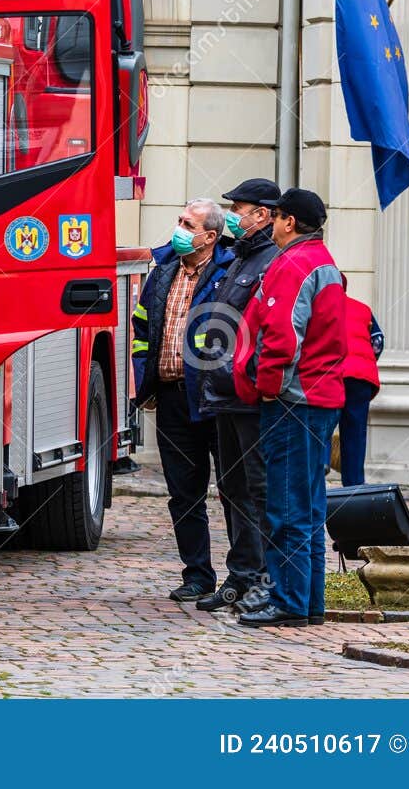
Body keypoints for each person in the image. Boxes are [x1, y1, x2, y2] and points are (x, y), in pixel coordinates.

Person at [232, 188, 348, 628]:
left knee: (287, 507)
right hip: (316, 399)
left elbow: (282, 336)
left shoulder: (295, 264)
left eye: (277, 216)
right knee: (309, 506)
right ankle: (308, 601)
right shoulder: (322, 261)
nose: (273, 224)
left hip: (292, 402)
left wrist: (268, 387)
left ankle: (289, 601)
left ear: (290, 222)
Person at [131, 198, 235, 603]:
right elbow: (142, 328)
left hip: (216, 400)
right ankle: (197, 575)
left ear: (210, 237)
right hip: (172, 397)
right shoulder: (163, 271)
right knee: (183, 493)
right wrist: (146, 378)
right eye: (180, 221)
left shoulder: (229, 272)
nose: (179, 229)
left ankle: (241, 576)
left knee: (233, 490)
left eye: (188, 224)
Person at [195, 177, 283, 615]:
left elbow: (270, 329)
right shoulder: (240, 258)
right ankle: (241, 575)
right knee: (232, 487)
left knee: (258, 488)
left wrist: (246, 375)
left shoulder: (273, 260)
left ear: (262, 215)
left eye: (239, 209)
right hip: (225, 392)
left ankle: (265, 580)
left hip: (249, 394)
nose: (233, 216)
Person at [338, 299, 384, 486]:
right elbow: (378, 341)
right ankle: (354, 484)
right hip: (361, 377)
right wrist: (367, 360)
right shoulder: (362, 309)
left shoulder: (319, 304)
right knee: (355, 433)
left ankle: (322, 463)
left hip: (333, 373)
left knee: (323, 424)